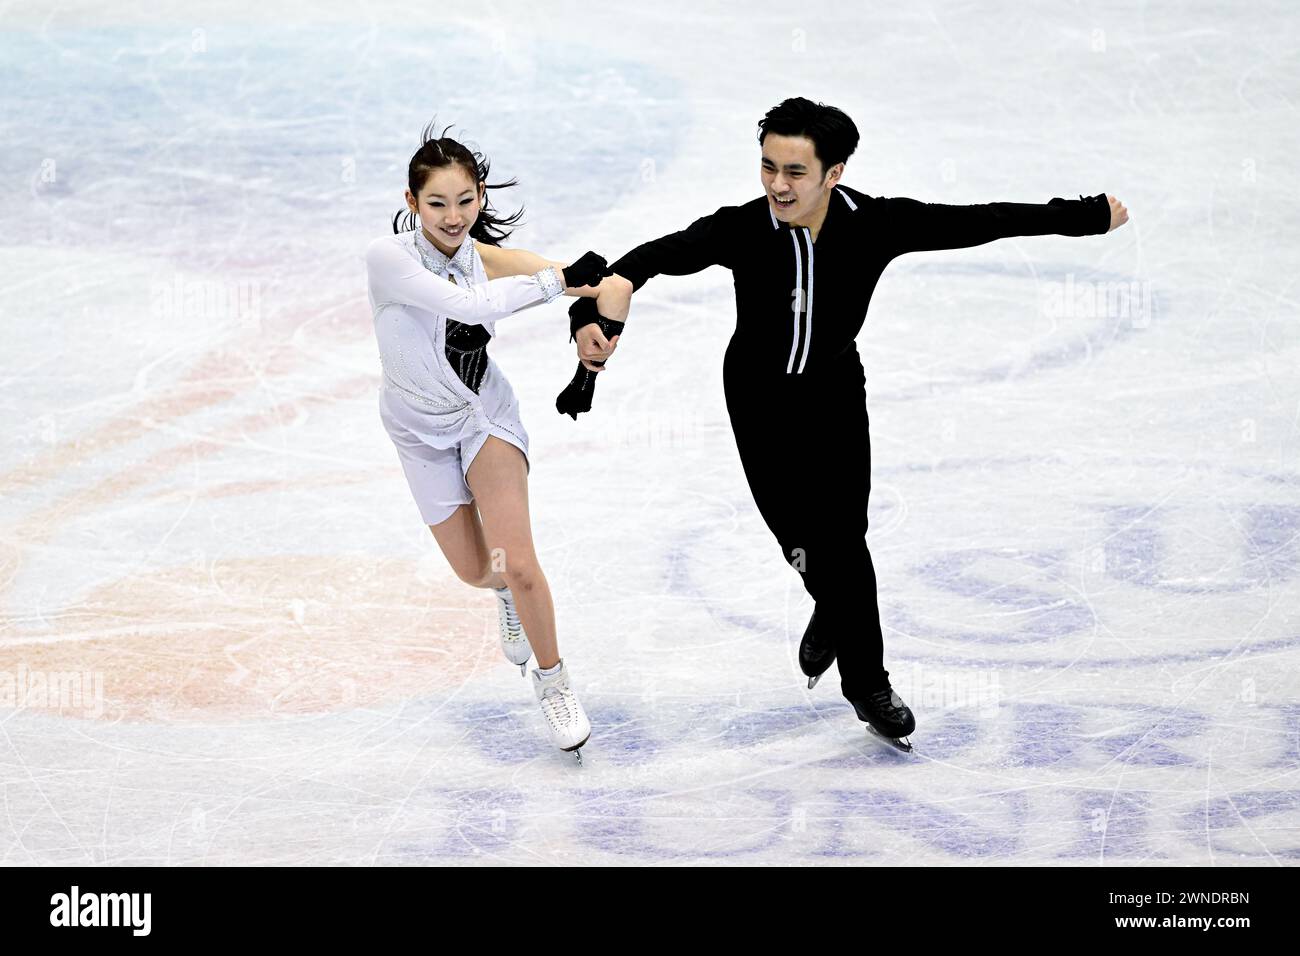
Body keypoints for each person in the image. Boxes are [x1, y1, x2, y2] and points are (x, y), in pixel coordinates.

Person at [561, 97, 1129, 752]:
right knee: (802, 543)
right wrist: (597, 316)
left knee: (846, 542)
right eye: (769, 166)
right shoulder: (742, 229)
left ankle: (867, 684)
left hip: (833, 396)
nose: (778, 185)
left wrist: (1082, 216)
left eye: (796, 172)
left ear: (833, 173)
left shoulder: (875, 224)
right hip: (758, 401)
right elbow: (652, 258)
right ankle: (830, 605)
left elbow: (981, 221)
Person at [364, 122, 616, 762]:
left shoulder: (491, 259)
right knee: (481, 570)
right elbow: (472, 307)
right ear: (412, 201)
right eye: (437, 203)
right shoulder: (389, 260)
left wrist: (590, 339)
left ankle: (554, 680)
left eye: (465, 201)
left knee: (522, 562)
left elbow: (609, 284)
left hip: (483, 418)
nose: (453, 217)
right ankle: (501, 592)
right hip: (419, 435)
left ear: (480, 197)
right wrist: (557, 285)